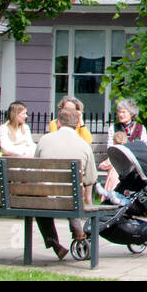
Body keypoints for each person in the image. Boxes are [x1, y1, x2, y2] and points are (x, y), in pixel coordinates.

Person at [34, 105, 97, 260]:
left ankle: (53, 241)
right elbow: (90, 179)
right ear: (77, 125)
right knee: (71, 194)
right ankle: (79, 235)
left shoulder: (44, 140)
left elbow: (36, 169)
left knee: (42, 199)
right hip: (71, 199)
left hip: (46, 198)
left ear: (58, 123)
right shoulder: (83, 145)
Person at [96, 99, 147, 204]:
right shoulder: (113, 128)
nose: (120, 114)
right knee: (115, 169)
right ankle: (112, 197)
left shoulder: (141, 129)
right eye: (119, 112)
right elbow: (111, 149)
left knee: (118, 170)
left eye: (123, 112)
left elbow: (143, 149)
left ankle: (110, 196)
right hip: (117, 160)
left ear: (131, 113)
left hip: (134, 162)